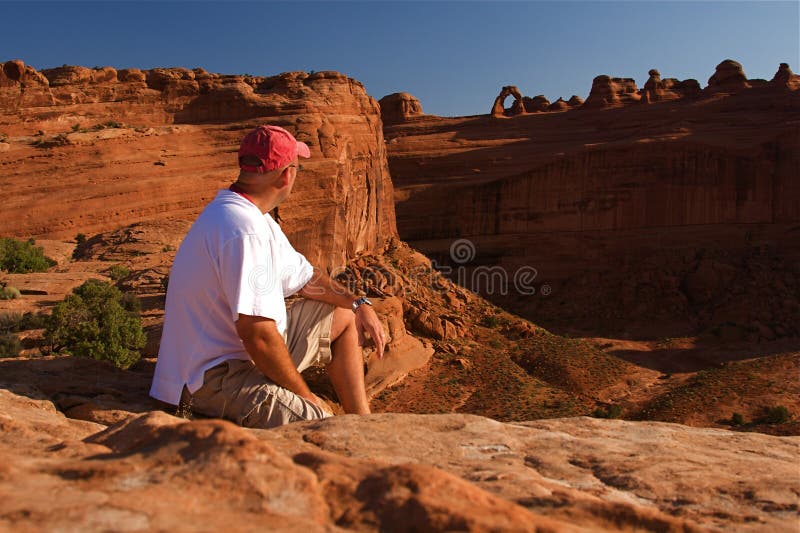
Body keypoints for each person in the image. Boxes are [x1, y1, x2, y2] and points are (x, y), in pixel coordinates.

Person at [150, 125, 387, 428]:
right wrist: (305, 397)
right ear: (287, 175)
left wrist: (358, 303)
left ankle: (364, 423)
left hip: (237, 356)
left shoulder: (251, 217)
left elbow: (306, 279)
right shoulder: (243, 230)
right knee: (322, 425)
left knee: (343, 315)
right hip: (209, 379)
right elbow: (257, 335)